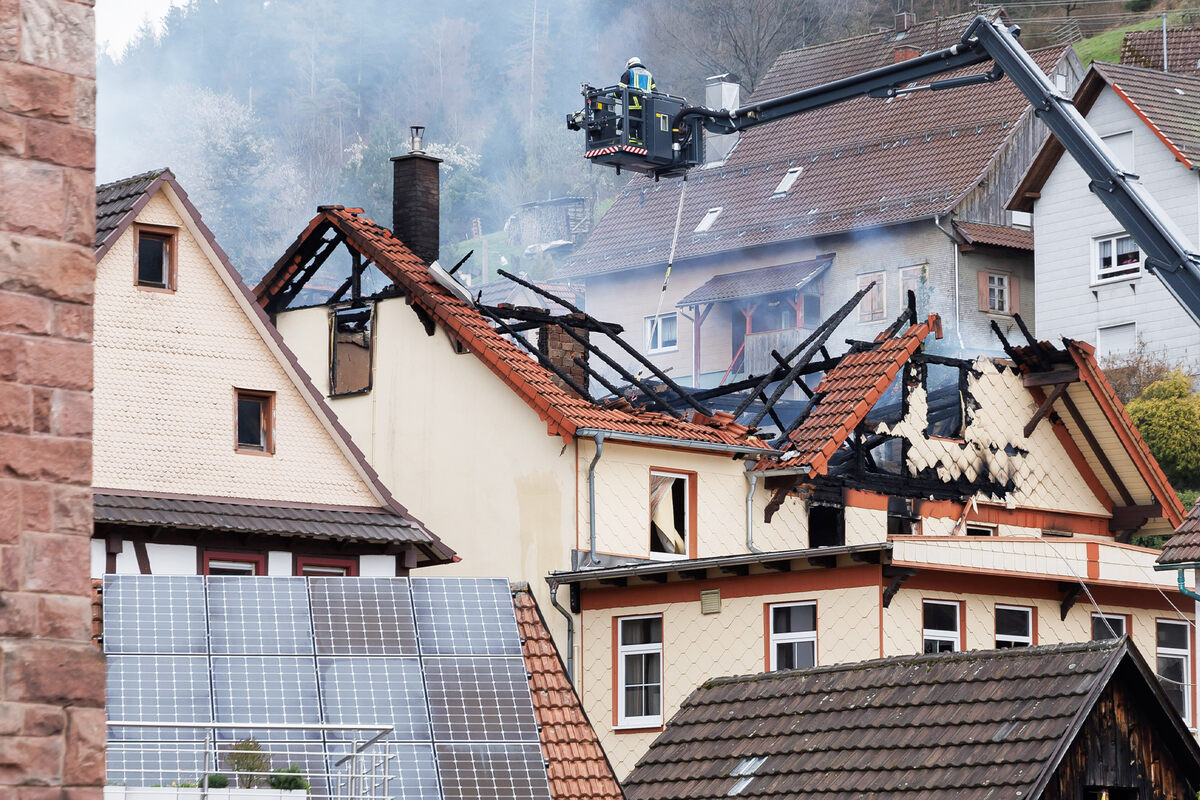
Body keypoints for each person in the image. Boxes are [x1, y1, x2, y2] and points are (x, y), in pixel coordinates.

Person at [619, 57, 654, 143]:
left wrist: (613, 95)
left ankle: (632, 143)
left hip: (632, 105)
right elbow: (654, 91)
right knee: (642, 126)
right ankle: (641, 143)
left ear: (630, 64)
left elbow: (620, 89)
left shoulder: (629, 73)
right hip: (645, 106)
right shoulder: (649, 75)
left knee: (629, 124)